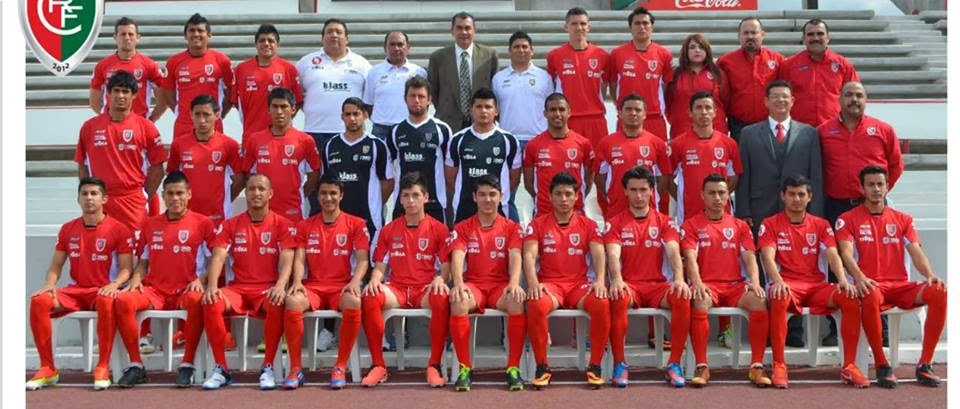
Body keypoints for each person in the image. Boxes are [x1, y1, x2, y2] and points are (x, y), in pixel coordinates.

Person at [836, 165, 947, 388]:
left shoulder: (903, 219)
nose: (876, 189)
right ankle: (882, 364)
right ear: (862, 188)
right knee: (869, 292)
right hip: (872, 285)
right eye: (871, 185)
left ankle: (925, 364)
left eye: (880, 184)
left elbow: (916, 251)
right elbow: (845, 255)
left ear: (887, 187)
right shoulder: (847, 219)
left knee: (939, 291)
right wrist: (859, 277)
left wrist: (930, 274)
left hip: (900, 286)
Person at [759, 175, 868, 389]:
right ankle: (780, 364)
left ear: (810, 197)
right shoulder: (770, 223)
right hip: (788, 285)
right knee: (778, 296)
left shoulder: (821, 224)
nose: (796, 199)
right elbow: (767, 257)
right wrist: (778, 281)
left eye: (801, 194)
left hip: (817, 286)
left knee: (850, 296)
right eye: (791, 194)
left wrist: (844, 280)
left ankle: (850, 365)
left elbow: (832, 254)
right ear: (783, 196)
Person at [26, 178, 134, 391]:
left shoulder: (119, 229)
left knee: (106, 299)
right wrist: (49, 284)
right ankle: (48, 367)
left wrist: (114, 284)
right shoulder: (68, 229)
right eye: (84, 194)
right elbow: (56, 265)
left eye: (94, 193)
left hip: (102, 290)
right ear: (78, 199)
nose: (89, 198)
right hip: (76, 291)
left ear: (104, 199)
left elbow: (126, 269)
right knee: (39, 301)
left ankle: (102, 365)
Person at [112, 171, 216, 388]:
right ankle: (136, 365)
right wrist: (136, 280)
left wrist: (203, 279)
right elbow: (143, 261)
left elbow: (216, 258)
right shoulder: (150, 224)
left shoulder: (203, 223)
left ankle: (187, 364)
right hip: (156, 290)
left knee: (197, 300)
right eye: (170, 193)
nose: (175, 198)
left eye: (179, 193)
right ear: (163, 195)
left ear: (189, 194)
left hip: (187, 288)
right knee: (122, 300)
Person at [200, 174, 297, 390]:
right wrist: (213, 286)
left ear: (270, 193)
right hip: (238, 289)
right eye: (251, 189)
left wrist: (281, 285)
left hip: (266, 289)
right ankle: (221, 369)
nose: (256, 193)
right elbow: (218, 256)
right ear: (246, 193)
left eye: (261, 189)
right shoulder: (230, 224)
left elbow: (287, 259)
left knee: (277, 301)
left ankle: (268, 367)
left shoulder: (283, 224)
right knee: (211, 301)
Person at [359, 172, 452, 388]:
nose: (411, 201)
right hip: (397, 288)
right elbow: (380, 265)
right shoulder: (389, 230)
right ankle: (378, 366)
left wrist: (441, 279)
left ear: (426, 197)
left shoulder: (439, 228)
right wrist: (374, 280)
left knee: (441, 295)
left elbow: (446, 266)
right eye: (406, 196)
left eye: (416, 195)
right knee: (371, 296)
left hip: (424, 289)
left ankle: (435, 365)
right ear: (399, 199)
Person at [681, 173, 770, 388]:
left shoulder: (740, 225)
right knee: (699, 300)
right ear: (702, 195)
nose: (717, 198)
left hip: (735, 286)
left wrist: (755, 282)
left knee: (758, 300)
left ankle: (757, 366)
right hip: (709, 286)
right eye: (711, 193)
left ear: (728, 194)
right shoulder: (691, 225)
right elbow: (690, 257)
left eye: (722, 192)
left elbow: (750, 256)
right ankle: (702, 366)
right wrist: (698, 283)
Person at [605, 166, 691, 388]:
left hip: (658, 287)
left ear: (652, 191)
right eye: (633, 190)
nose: (639, 195)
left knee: (681, 297)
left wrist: (679, 279)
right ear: (625, 191)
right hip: (630, 286)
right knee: (617, 297)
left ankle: (674, 364)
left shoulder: (665, 222)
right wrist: (616, 279)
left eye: (644, 189)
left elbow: (673, 251)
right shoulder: (615, 223)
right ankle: (620, 364)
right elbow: (613, 254)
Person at [283, 175, 371, 389]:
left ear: (341, 195)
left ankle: (340, 366)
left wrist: (355, 281)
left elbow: (362, 260)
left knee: (353, 301)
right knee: (293, 301)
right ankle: (296, 369)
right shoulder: (305, 226)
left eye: (333, 193)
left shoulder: (356, 224)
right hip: (312, 286)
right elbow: (300, 258)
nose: (328, 198)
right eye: (323, 193)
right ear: (317, 196)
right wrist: (297, 281)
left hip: (341, 287)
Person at [523, 172, 608, 389]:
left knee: (601, 302)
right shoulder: (538, 224)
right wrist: (533, 283)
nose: (563, 199)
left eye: (568, 194)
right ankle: (542, 366)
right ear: (550, 197)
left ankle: (595, 365)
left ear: (577, 196)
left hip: (579, 285)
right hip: (551, 286)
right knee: (535, 303)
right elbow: (529, 255)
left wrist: (599, 280)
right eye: (558, 194)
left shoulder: (588, 225)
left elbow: (599, 253)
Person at [448, 176, 526, 391]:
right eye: (482, 194)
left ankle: (513, 368)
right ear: (474, 197)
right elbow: (457, 255)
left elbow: (516, 255)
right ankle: (465, 368)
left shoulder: (511, 227)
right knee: (458, 301)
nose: (487, 199)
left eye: (492, 194)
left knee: (517, 301)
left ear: (501, 197)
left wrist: (514, 282)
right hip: (475, 285)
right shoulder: (463, 227)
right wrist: (458, 283)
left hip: (500, 286)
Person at [75, 70, 167, 234]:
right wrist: (90, 193)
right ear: (108, 93)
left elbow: (158, 168)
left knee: (133, 255)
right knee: (101, 254)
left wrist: (144, 194)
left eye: (126, 91)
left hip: (132, 202)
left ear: (134, 95)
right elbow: (82, 165)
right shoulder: (89, 127)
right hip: (101, 201)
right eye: (116, 90)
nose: (121, 95)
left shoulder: (146, 127)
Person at [735, 80, 823, 237]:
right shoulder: (749, 134)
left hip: (799, 209)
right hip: (759, 209)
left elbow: (815, 176)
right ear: (766, 101)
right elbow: (744, 175)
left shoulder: (809, 133)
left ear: (792, 101)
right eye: (775, 96)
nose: (780, 100)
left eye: (785, 96)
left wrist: (816, 212)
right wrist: (744, 211)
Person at [819, 81, 904, 224]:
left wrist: (878, 190)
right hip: (836, 207)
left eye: (859, 96)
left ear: (866, 100)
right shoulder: (823, 131)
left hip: (873, 204)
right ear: (839, 99)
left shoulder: (884, 130)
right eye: (848, 95)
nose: (854, 99)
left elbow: (896, 165)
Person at [317, 97, 393, 244]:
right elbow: (325, 183)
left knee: (369, 263)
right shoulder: (330, 145)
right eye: (348, 114)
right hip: (338, 219)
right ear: (342, 116)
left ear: (365, 115)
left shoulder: (377, 145)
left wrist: (375, 204)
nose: (352, 119)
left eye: (356, 114)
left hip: (369, 218)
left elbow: (388, 183)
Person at [240, 87, 322, 223]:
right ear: (268, 110)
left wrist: (300, 194)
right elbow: (248, 175)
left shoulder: (305, 140)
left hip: (292, 213)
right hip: (262, 214)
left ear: (293, 109)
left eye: (284, 107)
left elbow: (314, 177)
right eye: (275, 107)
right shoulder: (255, 140)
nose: (279, 112)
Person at [445, 88, 521, 223]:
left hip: (498, 210)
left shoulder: (509, 140)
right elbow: (451, 179)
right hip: (465, 208)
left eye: (488, 107)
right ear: (471, 110)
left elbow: (513, 179)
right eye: (479, 106)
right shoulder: (458, 139)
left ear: (496, 111)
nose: (483, 111)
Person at [666, 92, 741, 224]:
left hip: (722, 217)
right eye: (699, 108)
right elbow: (667, 179)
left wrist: (716, 198)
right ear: (690, 112)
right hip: (689, 216)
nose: (704, 112)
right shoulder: (678, 144)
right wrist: (683, 197)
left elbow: (733, 179)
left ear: (715, 112)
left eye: (708, 108)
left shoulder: (729, 143)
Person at [167, 95, 243, 225]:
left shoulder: (229, 145)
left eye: (207, 115)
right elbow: (172, 179)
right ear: (191, 115)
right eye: (197, 114)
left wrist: (225, 199)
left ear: (217, 115)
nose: (202, 120)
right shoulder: (179, 144)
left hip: (219, 218)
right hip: (186, 218)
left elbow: (240, 179)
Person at [297, 18, 372, 148]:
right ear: (322, 38)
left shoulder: (362, 64)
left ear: (347, 39)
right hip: (315, 131)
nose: (334, 35)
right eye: (329, 32)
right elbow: (297, 97)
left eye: (338, 32)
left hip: (350, 132)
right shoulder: (305, 63)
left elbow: (369, 100)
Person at [387, 76, 452, 224]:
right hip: (403, 203)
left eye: (421, 96)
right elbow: (389, 170)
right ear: (405, 99)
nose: (416, 100)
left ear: (429, 99)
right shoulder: (395, 130)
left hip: (435, 203)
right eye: (412, 96)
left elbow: (451, 170)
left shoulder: (442, 129)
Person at [595, 94, 669, 218]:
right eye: (628, 109)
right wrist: (613, 195)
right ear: (619, 113)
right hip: (616, 212)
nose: (633, 113)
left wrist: (649, 197)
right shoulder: (606, 143)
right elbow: (599, 179)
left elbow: (664, 180)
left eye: (638, 110)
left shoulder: (657, 144)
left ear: (645, 114)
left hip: (647, 213)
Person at [161, 13, 233, 140]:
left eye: (200, 30)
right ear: (185, 35)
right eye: (191, 30)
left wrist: (218, 114)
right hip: (184, 126)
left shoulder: (222, 61)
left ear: (209, 35)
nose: (196, 34)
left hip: (213, 126)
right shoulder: (174, 61)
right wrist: (181, 113)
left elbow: (231, 93)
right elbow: (167, 92)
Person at [546, 7, 609, 148]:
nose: (579, 28)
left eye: (583, 24)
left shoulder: (602, 56)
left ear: (589, 27)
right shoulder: (555, 56)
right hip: (568, 119)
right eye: (574, 24)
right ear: (566, 27)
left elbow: (605, 85)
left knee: (597, 166)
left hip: (596, 119)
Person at [522, 93, 594, 217]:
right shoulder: (533, 145)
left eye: (561, 109)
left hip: (575, 214)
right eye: (552, 110)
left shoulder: (583, 143)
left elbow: (588, 181)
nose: (557, 114)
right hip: (544, 213)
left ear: (569, 112)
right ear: (545, 113)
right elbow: (529, 183)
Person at [779, 18, 859, 128]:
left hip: (834, 129)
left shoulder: (843, 65)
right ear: (803, 38)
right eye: (810, 34)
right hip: (799, 130)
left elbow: (855, 97)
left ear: (828, 38)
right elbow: (781, 98)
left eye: (820, 34)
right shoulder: (788, 66)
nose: (815, 38)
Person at [608, 7, 673, 140]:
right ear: (630, 28)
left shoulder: (664, 54)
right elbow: (613, 85)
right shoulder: (617, 53)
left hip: (654, 118)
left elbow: (666, 86)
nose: (641, 27)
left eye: (645, 23)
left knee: (657, 159)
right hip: (626, 118)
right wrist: (622, 107)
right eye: (637, 23)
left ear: (652, 27)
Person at [428, 11, 499, 132]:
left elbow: (494, 88)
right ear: (452, 31)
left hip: (480, 122)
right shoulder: (438, 57)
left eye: (467, 28)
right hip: (448, 122)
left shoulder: (489, 55)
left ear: (474, 31)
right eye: (459, 28)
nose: (464, 32)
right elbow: (433, 91)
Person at [231, 24, 302, 143]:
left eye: (271, 41)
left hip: (282, 137)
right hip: (251, 135)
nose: (266, 44)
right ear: (256, 44)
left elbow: (298, 102)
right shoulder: (241, 69)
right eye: (262, 40)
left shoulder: (289, 69)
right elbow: (236, 102)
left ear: (278, 45)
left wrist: (283, 120)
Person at [717, 17, 784, 139]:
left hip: (770, 123)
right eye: (746, 33)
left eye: (754, 32)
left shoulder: (777, 60)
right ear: (739, 36)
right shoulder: (725, 62)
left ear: (762, 35)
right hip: (738, 125)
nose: (750, 36)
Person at [89, 17, 166, 122]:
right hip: (111, 126)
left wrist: (150, 121)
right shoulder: (102, 66)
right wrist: (107, 118)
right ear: (115, 37)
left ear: (138, 37)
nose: (127, 38)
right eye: (123, 34)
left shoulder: (149, 65)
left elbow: (164, 100)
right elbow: (94, 102)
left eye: (130, 34)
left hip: (139, 125)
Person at [491, 31, 554, 149]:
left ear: (532, 51)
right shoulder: (498, 78)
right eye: (516, 47)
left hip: (538, 138)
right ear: (509, 51)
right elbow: (495, 111)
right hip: (508, 139)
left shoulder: (544, 77)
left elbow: (551, 108)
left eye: (525, 47)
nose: (521, 50)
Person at [364, 31, 427, 140]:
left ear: (408, 47)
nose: (396, 48)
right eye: (392, 44)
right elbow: (369, 104)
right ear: (385, 48)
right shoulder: (374, 72)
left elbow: (424, 102)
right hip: (381, 131)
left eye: (400, 44)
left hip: (410, 128)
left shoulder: (419, 72)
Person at [665, 34, 728, 139]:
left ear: (707, 51)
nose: (697, 50)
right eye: (692, 47)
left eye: (701, 47)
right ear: (686, 51)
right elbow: (668, 102)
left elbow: (727, 101)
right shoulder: (675, 75)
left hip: (715, 131)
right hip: (682, 131)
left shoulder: (718, 74)